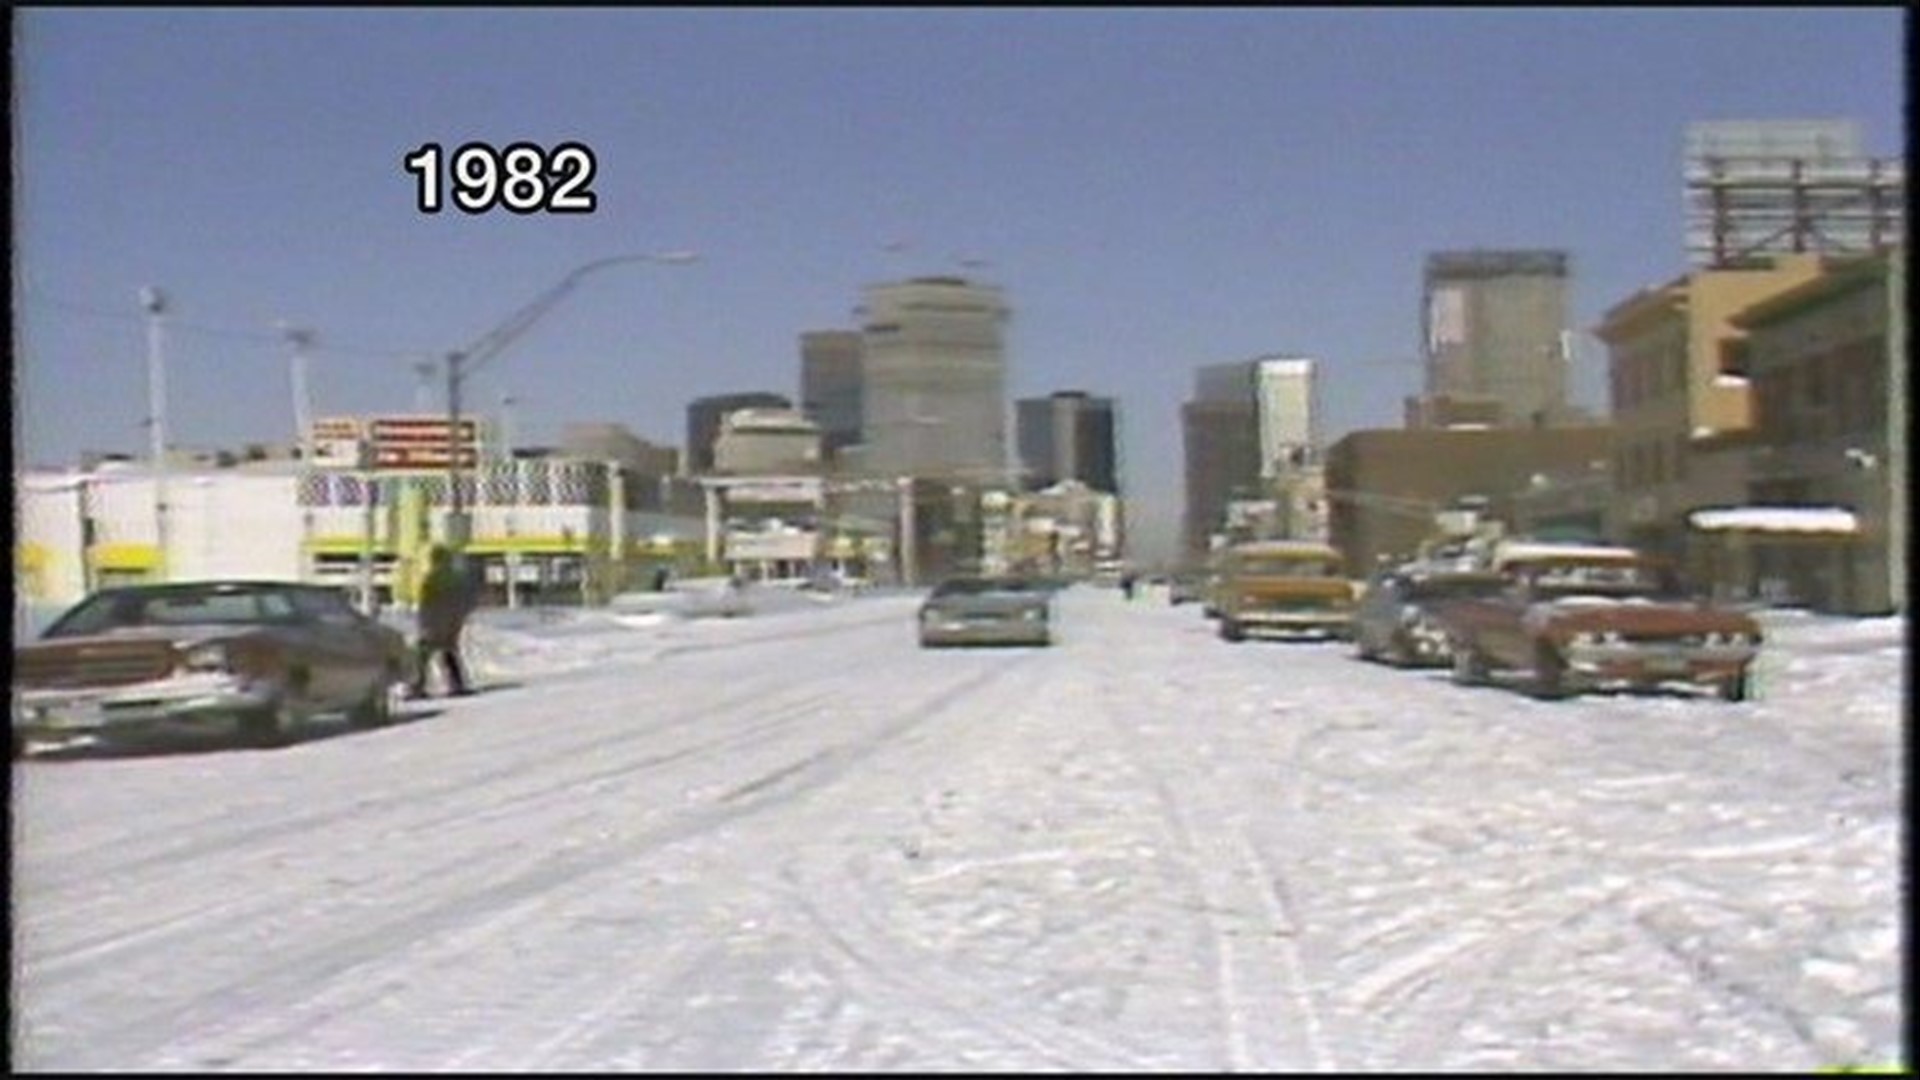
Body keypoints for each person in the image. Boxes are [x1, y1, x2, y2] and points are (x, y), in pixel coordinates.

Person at [409, 544, 476, 698]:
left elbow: (426, 603)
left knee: (422, 657)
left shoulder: (432, 577)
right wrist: (458, 620)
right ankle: (456, 685)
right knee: (449, 654)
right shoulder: (454, 577)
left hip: (432, 624)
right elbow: (461, 602)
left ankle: (416, 687)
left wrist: (423, 623)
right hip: (450, 623)